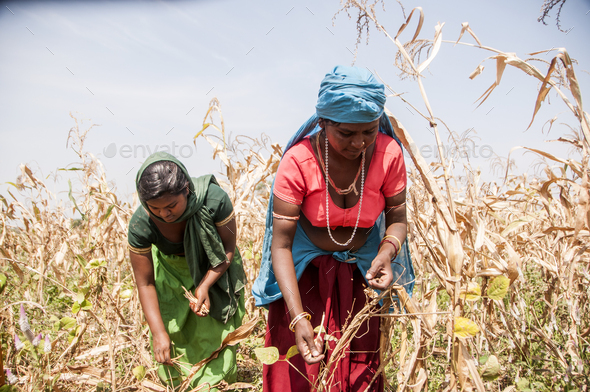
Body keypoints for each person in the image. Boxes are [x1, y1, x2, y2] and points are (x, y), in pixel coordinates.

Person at [253, 65, 415, 391]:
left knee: (361, 371)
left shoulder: (388, 153)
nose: (359, 143)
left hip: (361, 275)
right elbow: (281, 246)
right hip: (304, 276)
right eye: (346, 133)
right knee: (298, 371)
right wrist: (298, 318)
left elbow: (397, 218)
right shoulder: (299, 161)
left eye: (369, 131)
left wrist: (386, 253)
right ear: (323, 122)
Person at [127, 152, 246, 390]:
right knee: (175, 335)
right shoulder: (141, 224)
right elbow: (145, 283)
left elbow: (228, 249)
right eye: (155, 208)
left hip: (215, 267)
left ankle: (216, 385)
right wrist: (159, 332)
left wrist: (205, 285)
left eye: (172, 205)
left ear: (187, 190)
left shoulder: (213, 200)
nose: (165, 214)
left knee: (216, 336)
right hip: (171, 276)